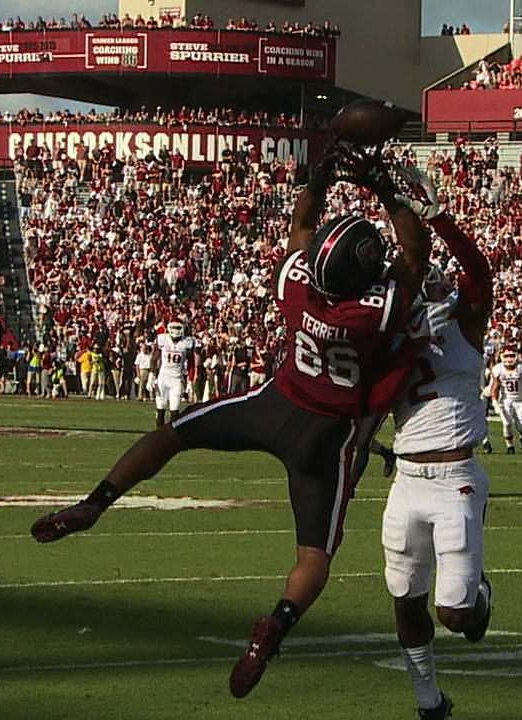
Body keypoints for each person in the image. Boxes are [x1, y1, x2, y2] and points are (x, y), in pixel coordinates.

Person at [28, 144, 431, 700]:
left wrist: (319, 175)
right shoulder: (375, 310)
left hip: (273, 404)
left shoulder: (296, 287)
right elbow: (416, 256)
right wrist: (387, 188)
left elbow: (301, 221)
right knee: (313, 555)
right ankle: (278, 624)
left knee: (171, 435)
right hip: (326, 435)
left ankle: (95, 503)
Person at [373, 192, 494, 720]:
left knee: (454, 615)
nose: (435, 290)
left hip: (455, 478)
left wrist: (434, 215)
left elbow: (477, 267)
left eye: (438, 284)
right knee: (404, 599)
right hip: (406, 478)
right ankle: (430, 704)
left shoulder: (466, 325)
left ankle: (480, 595)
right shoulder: (393, 339)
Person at [152, 320, 197, 426]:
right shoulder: (162, 339)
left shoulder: (187, 342)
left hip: (177, 379)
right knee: (160, 409)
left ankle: (172, 438)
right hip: (163, 378)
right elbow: (154, 358)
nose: (176, 331)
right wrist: (152, 374)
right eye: (174, 328)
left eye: (178, 328)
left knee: (175, 412)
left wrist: (190, 381)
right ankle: (159, 436)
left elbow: (191, 363)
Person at [487, 349, 522, 454]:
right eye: (507, 356)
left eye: (511, 355)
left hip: (519, 401)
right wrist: (495, 402)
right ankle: (510, 447)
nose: (509, 359)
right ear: (502, 356)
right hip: (506, 400)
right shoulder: (499, 368)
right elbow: (495, 387)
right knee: (507, 423)